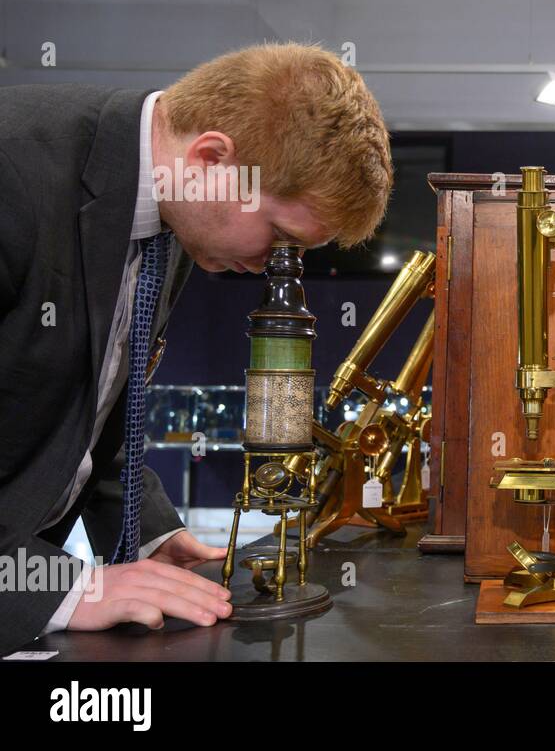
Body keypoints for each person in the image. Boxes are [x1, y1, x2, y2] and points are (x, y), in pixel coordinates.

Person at [0, 42, 393, 655]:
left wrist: (152, 530)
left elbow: (81, 413)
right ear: (212, 158)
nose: (275, 265)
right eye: (280, 235)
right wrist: (57, 589)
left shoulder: (171, 214)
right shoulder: (13, 170)